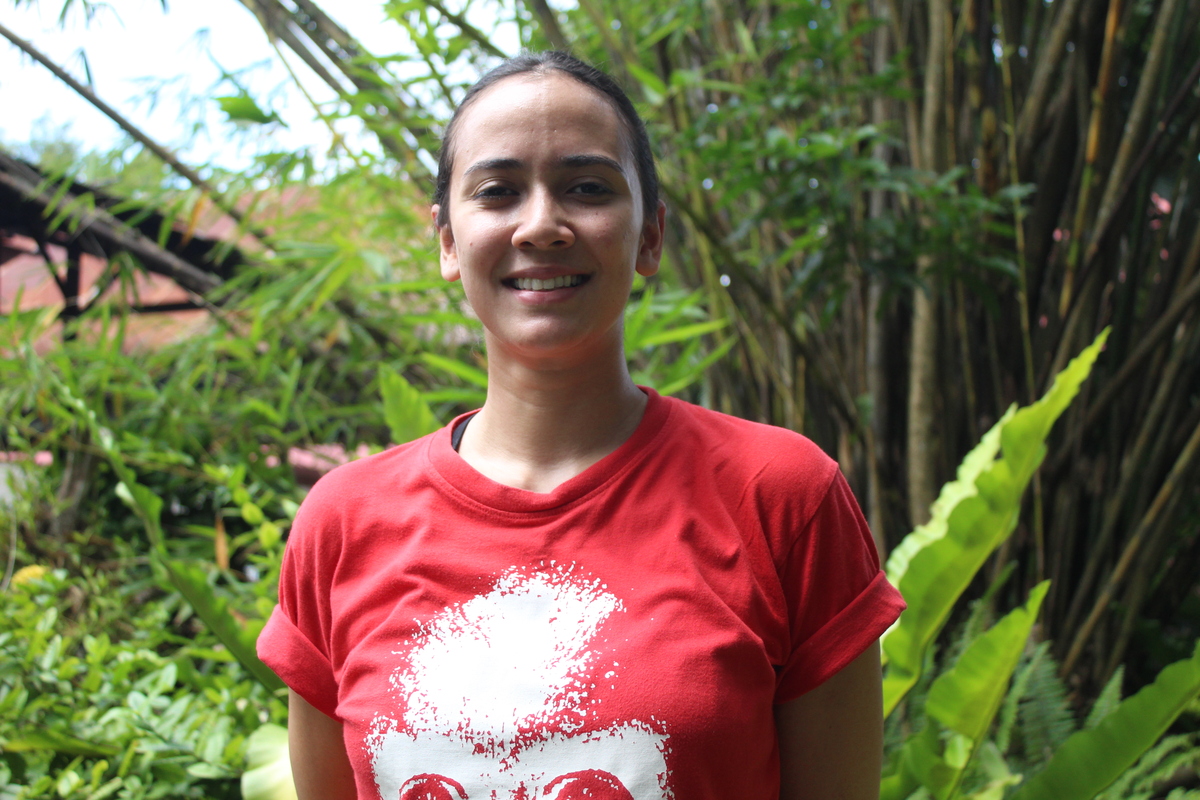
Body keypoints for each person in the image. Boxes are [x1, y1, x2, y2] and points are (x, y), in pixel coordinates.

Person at [257, 51, 905, 800]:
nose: (542, 225)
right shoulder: (343, 524)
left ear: (651, 236)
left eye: (587, 188)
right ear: (446, 241)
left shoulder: (781, 497)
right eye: (498, 191)